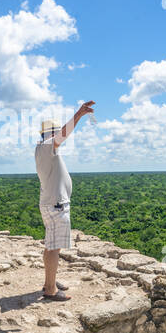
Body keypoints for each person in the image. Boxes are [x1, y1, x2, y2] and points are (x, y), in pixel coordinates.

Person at [34, 100, 95, 301]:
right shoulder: (46, 146)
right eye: (56, 132)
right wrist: (78, 114)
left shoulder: (44, 150)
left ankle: (49, 281)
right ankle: (50, 289)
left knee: (51, 245)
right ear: (51, 133)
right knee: (53, 247)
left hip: (53, 204)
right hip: (56, 206)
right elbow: (63, 135)